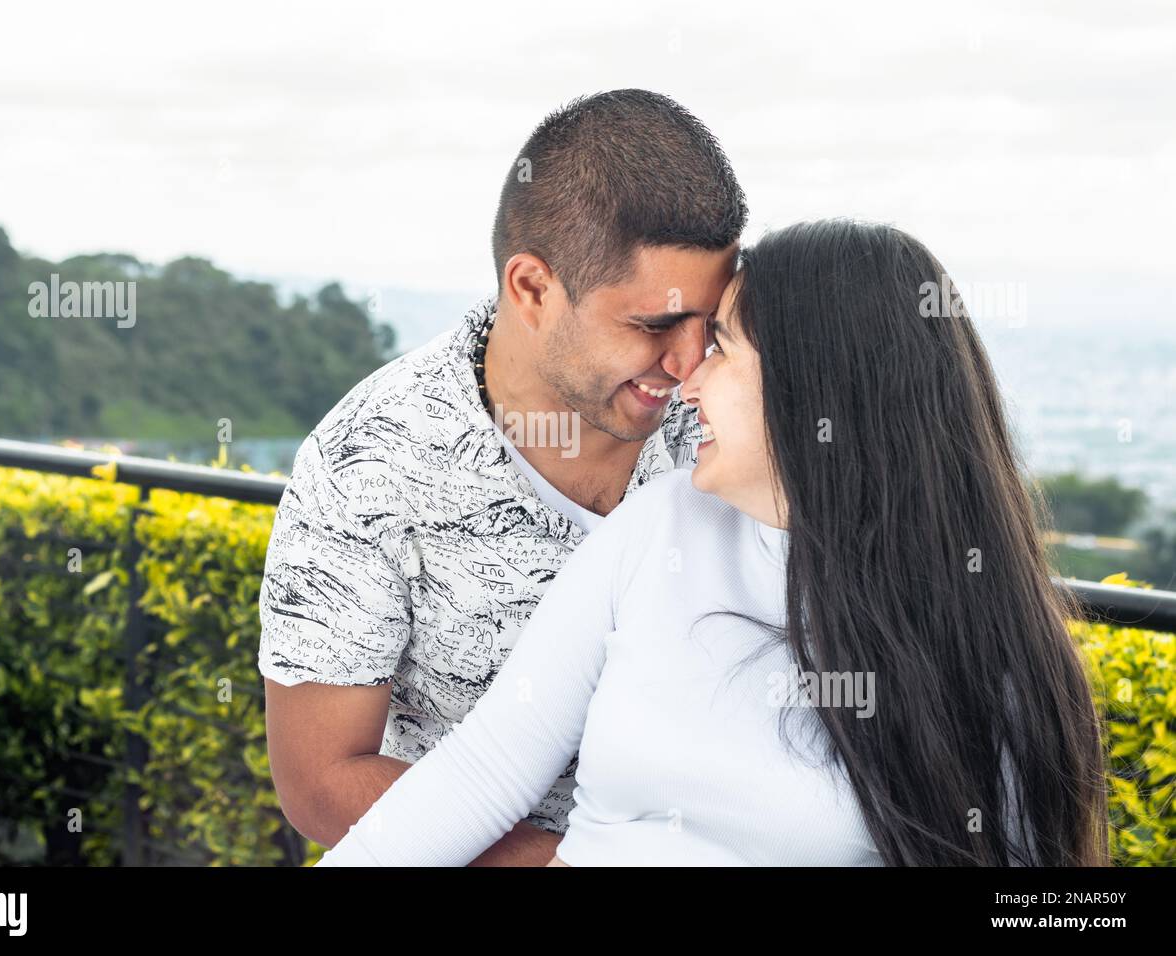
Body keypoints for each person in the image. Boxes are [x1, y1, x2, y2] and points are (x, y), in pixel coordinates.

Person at [316, 219, 1110, 867]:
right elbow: (480, 774)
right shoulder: (660, 525)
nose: (687, 379)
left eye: (722, 347)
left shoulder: (979, 646)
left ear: (820, 387)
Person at [258, 89, 745, 865]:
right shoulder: (369, 459)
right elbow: (321, 780)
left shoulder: (738, 422)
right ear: (533, 289)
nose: (690, 364)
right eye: (653, 325)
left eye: (713, 324)